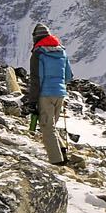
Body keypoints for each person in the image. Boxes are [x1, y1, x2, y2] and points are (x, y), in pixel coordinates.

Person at [22, 23, 73, 165]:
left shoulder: (38, 54)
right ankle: (62, 151)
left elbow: (36, 79)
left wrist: (32, 101)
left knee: (46, 126)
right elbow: (68, 76)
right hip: (60, 93)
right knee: (51, 126)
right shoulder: (62, 52)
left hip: (45, 94)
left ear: (36, 38)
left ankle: (57, 162)